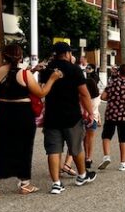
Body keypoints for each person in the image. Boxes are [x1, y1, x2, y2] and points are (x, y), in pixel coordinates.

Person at [0, 43, 61, 199]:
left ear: (4, 56)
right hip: (22, 114)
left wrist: (32, 70)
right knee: (24, 148)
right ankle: (24, 183)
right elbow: (41, 92)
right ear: (20, 56)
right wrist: (53, 79)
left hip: (3, 112)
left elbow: (5, 82)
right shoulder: (24, 74)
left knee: (1, 147)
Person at [39, 42, 96, 195]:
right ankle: (82, 176)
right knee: (76, 147)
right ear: (67, 53)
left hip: (51, 116)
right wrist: (91, 113)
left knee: (53, 150)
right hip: (71, 116)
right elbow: (84, 93)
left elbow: (41, 89)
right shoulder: (74, 69)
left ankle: (56, 183)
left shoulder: (47, 69)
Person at [98, 62, 125, 171]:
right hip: (124, 115)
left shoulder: (112, 83)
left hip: (111, 113)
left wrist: (112, 99)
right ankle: (123, 162)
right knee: (124, 138)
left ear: (119, 72)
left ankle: (106, 156)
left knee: (106, 135)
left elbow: (103, 97)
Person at [83, 65, 101, 170]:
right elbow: (97, 109)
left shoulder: (83, 96)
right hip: (93, 118)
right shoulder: (97, 97)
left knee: (84, 139)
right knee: (90, 139)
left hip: (84, 118)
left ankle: (85, 156)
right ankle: (89, 157)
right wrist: (99, 118)